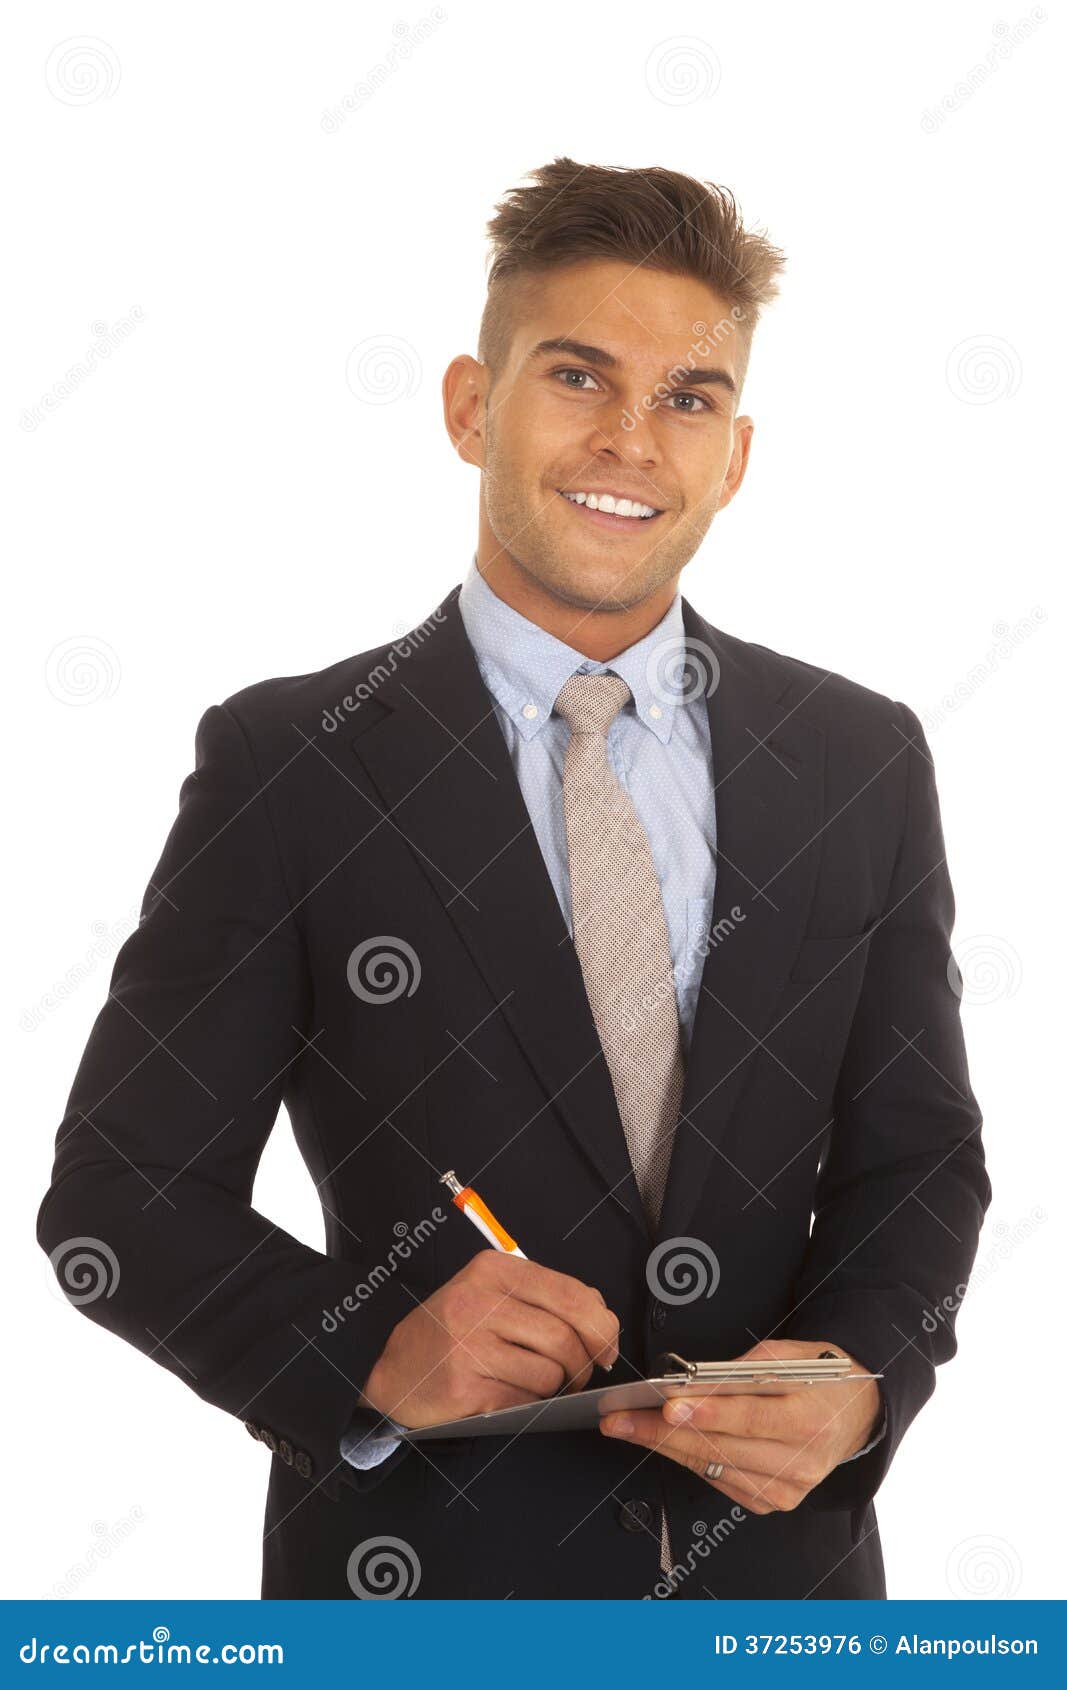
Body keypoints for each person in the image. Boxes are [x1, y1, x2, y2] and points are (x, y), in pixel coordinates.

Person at [37, 157, 990, 1600]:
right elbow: (121, 1190)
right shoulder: (295, 761)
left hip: (786, 1603)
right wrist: (362, 1346)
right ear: (471, 406)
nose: (632, 439)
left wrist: (859, 1379)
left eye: (688, 397)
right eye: (577, 377)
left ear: (734, 456)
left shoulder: (860, 757)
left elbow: (919, 1158)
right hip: (422, 1584)